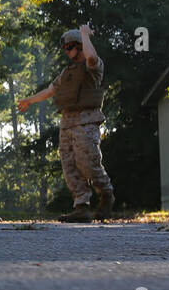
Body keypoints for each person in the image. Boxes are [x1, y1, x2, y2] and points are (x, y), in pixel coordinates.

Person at [18, 25, 115, 222]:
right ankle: (82, 206)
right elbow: (51, 90)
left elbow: (90, 57)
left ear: (79, 46)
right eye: (65, 49)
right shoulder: (67, 72)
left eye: (70, 47)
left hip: (86, 121)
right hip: (67, 122)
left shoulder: (93, 65)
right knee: (69, 166)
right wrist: (29, 100)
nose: (67, 52)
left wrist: (85, 35)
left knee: (88, 163)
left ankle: (106, 193)